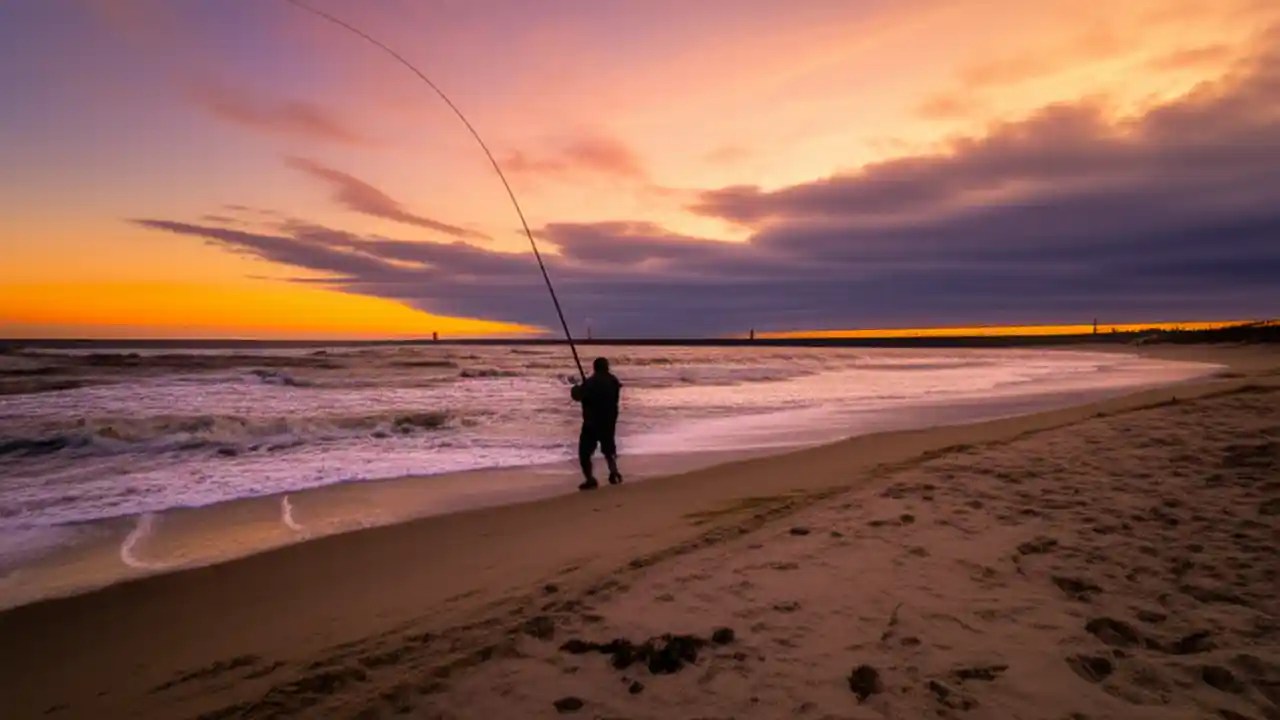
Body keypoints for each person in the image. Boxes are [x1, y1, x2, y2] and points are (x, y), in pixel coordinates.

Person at [570, 357, 623, 490]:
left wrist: (575, 387)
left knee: (584, 453)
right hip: (609, 421)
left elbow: (577, 396)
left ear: (595, 368)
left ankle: (590, 479)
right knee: (609, 449)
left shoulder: (591, 383)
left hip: (592, 423)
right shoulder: (613, 381)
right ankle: (614, 472)